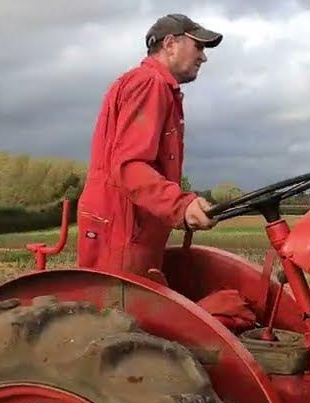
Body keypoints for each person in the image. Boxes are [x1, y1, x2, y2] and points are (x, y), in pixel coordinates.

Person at [77, 13, 254, 330]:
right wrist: (181, 205)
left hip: (133, 227)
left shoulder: (154, 87)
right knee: (118, 329)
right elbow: (130, 166)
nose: (204, 57)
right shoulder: (150, 84)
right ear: (170, 44)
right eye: (198, 46)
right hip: (124, 231)